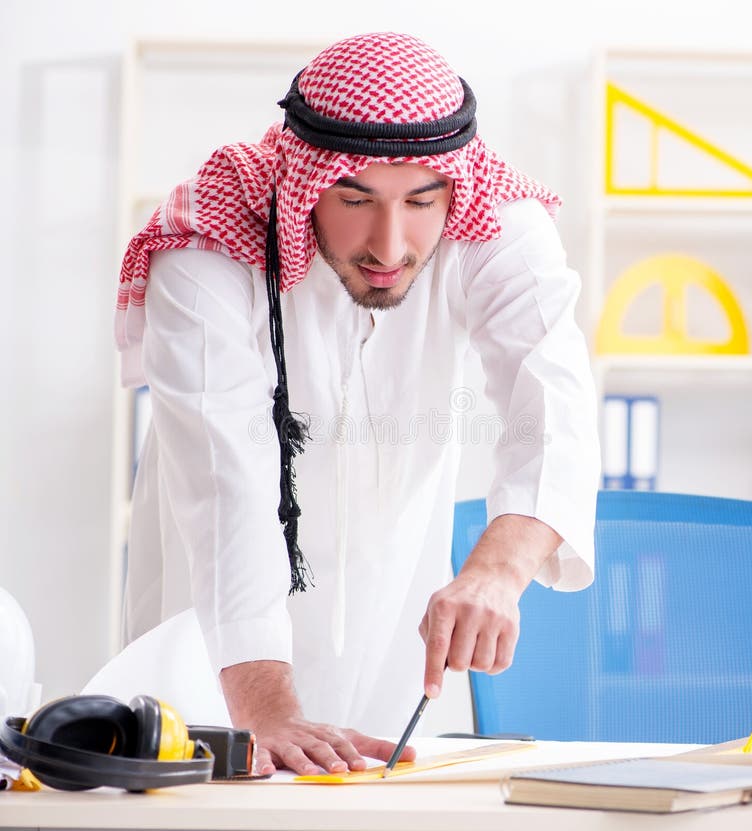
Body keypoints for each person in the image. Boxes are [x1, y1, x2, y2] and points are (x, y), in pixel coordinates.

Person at [115, 32, 600, 776]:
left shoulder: (492, 229)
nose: (389, 243)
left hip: (392, 629)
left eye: (420, 200)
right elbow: (227, 489)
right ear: (307, 182)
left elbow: (556, 401)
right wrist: (265, 708)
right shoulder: (207, 255)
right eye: (355, 198)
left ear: (453, 189)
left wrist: (498, 570)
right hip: (215, 655)